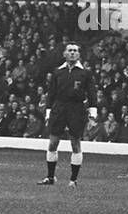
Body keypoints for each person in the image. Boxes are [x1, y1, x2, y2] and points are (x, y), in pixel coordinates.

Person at [38, 42, 97, 188]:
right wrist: (48, 112)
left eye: (75, 51)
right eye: (69, 50)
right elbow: (51, 93)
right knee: (53, 143)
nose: (72, 53)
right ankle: (50, 177)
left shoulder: (85, 73)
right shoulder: (58, 72)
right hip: (59, 108)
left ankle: (73, 180)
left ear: (79, 54)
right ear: (64, 53)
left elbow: (91, 94)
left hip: (76, 109)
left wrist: (92, 114)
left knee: (75, 143)